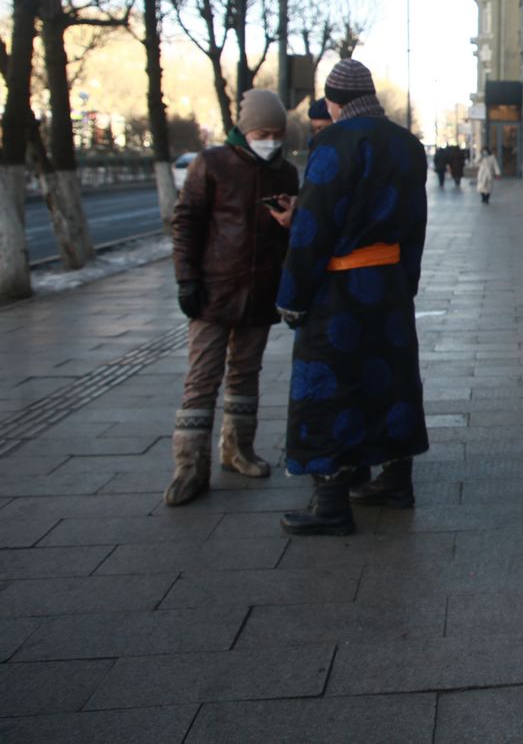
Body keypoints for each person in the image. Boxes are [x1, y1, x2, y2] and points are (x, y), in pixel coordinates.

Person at [272, 58, 430, 535]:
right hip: (389, 286)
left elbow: (316, 227)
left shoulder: (333, 142)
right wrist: (406, 282)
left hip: (339, 290)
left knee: (329, 388)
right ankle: (396, 484)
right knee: (392, 384)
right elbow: (416, 223)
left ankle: (332, 505)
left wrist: (292, 295)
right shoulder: (408, 145)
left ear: (334, 102)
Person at [165, 89, 299, 506]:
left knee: (245, 374)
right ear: (244, 130)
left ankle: (238, 450)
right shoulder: (213, 163)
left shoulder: (286, 173)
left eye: (277, 134)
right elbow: (186, 222)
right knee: (202, 378)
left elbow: (291, 235)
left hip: (259, 292)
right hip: (213, 289)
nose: (271, 141)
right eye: (263, 132)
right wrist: (187, 279)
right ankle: (189, 467)